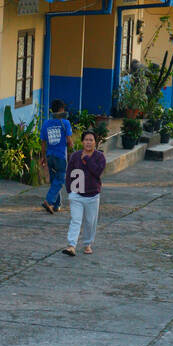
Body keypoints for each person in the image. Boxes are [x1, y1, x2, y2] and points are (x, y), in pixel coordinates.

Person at [63, 129, 105, 257]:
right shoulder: (75, 156)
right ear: (82, 142)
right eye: (86, 140)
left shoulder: (99, 157)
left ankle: (87, 244)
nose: (88, 142)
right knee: (76, 220)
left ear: (95, 143)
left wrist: (87, 159)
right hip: (76, 195)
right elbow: (69, 173)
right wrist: (70, 191)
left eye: (91, 140)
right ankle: (71, 245)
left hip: (92, 195)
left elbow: (97, 172)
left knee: (90, 221)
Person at [39, 100, 74, 214]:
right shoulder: (65, 123)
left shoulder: (46, 124)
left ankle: (56, 205)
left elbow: (43, 143)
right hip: (60, 157)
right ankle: (49, 201)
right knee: (60, 180)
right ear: (61, 110)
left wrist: (43, 157)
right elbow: (69, 141)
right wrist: (72, 148)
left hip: (50, 156)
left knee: (54, 180)